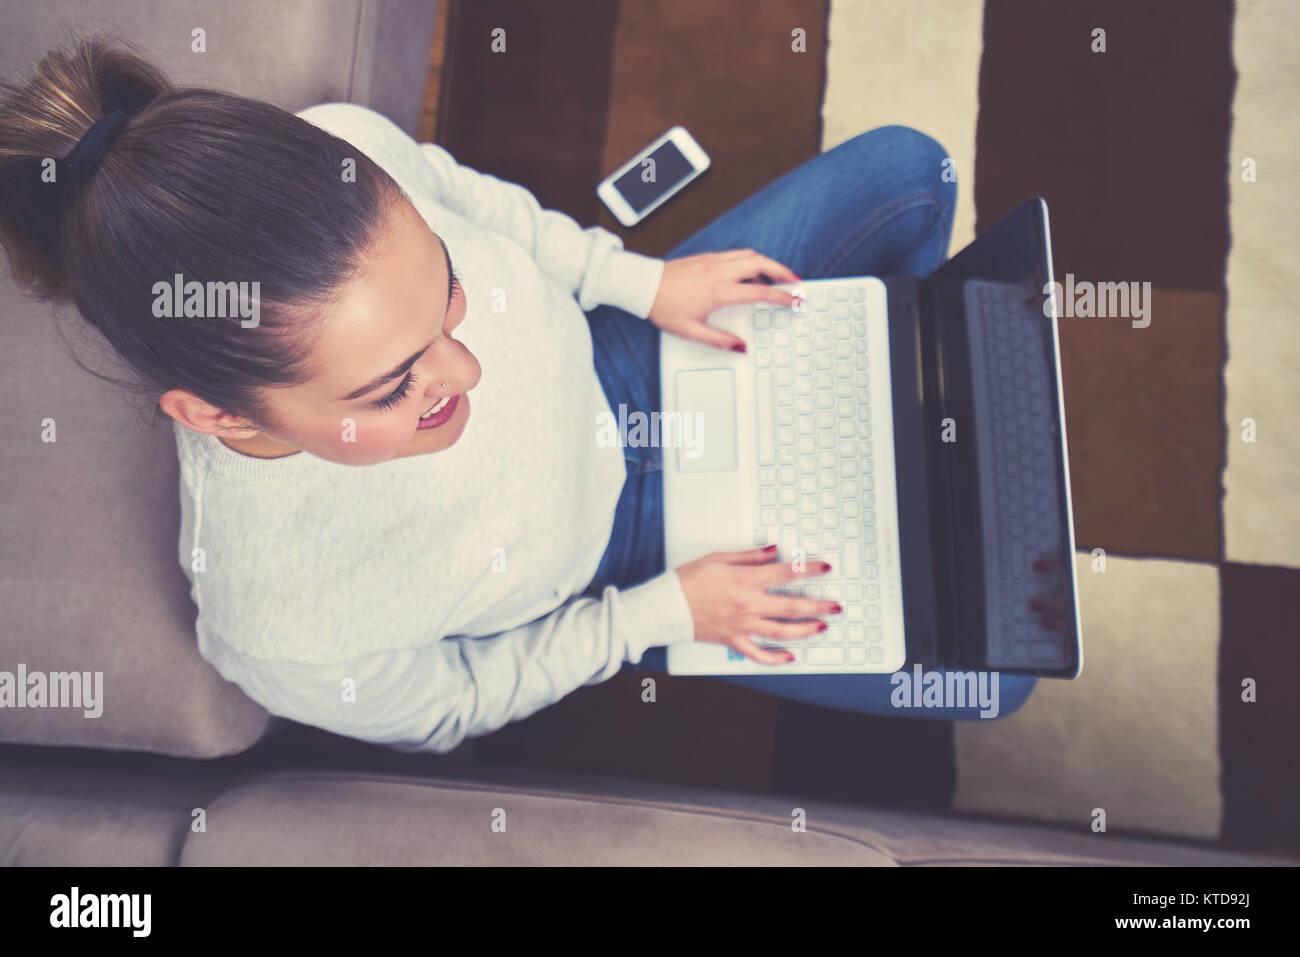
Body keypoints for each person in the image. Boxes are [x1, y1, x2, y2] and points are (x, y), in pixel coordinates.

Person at [0, 39, 1035, 756]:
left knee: (912, 170)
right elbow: (458, 703)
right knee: (994, 673)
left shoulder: (347, 145)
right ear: (219, 415)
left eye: (446, 298)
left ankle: (872, 387)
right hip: (635, 556)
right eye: (396, 384)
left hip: (624, 351)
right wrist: (658, 614)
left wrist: (643, 281)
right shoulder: (282, 628)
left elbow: (493, 209)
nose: (468, 375)